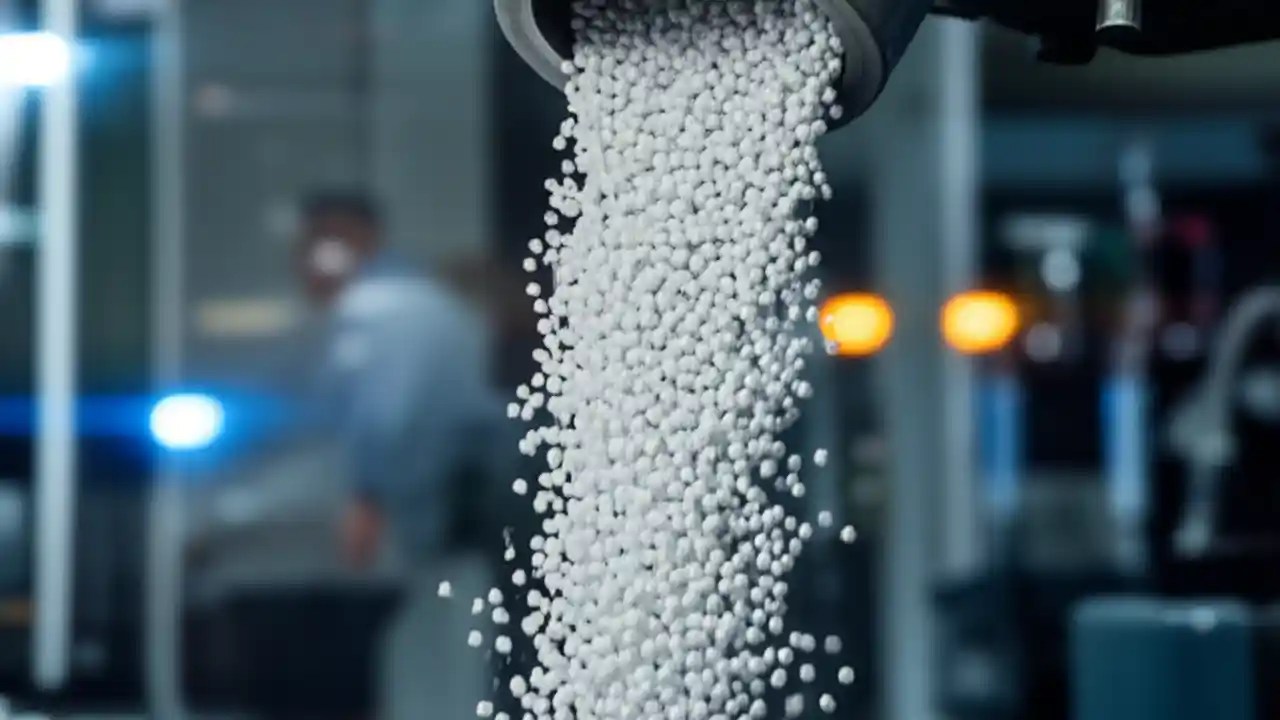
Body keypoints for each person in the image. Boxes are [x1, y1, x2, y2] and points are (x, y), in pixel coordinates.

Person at [293, 191, 513, 720]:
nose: (311, 264)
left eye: (329, 245)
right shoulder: (395, 308)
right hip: (443, 540)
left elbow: (390, 420)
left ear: (364, 242)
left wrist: (367, 499)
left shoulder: (388, 309)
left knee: (440, 678)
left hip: (447, 538)